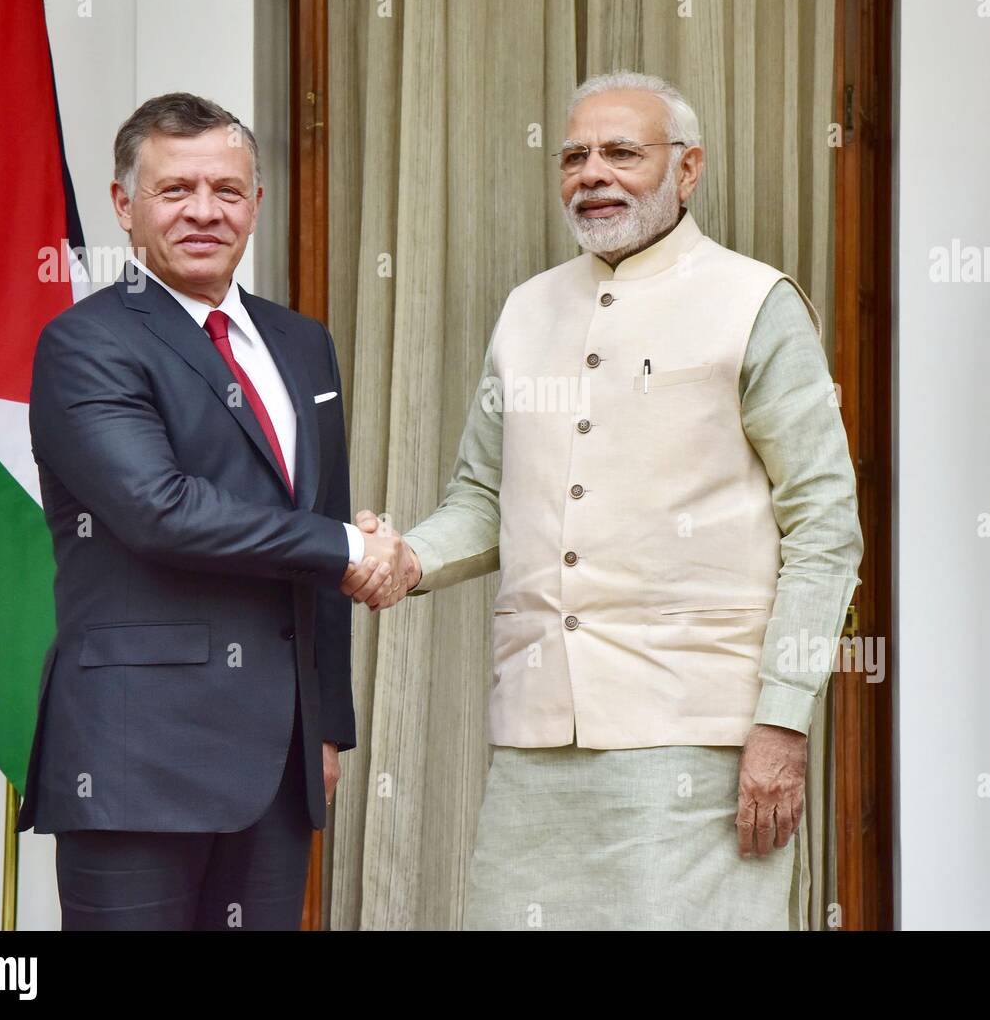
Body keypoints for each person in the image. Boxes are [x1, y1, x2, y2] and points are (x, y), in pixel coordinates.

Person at [361, 71, 862, 929]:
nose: (593, 173)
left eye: (623, 152)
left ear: (689, 168)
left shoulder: (755, 303)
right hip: (535, 742)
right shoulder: (526, 310)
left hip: (698, 741)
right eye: (574, 156)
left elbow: (825, 529)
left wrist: (783, 718)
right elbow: (485, 497)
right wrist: (409, 559)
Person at [18, 92, 406, 930]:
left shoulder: (302, 342)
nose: (205, 211)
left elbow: (323, 519)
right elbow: (161, 511)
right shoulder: (85, 344)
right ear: (124, 205)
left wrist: (326, 727)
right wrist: (347, 545)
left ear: (257, 205)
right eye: (175, 190)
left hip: (279, 766)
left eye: (228, 191)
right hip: (136, 764)